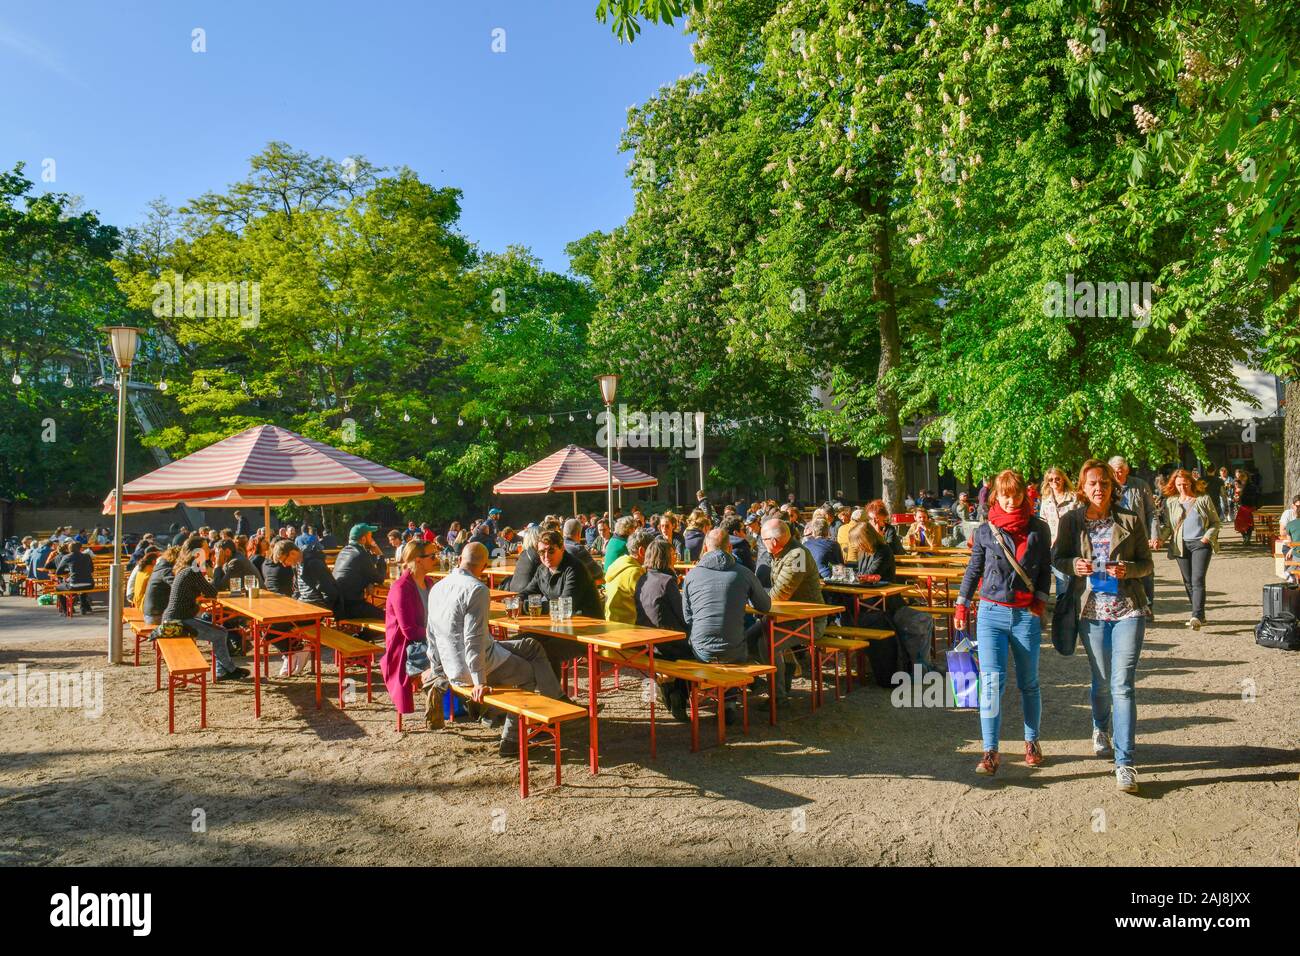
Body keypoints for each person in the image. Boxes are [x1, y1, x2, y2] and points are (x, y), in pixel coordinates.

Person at [1053, 458, 1154, 794]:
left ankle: (1125, 762)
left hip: (1128, 608)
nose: (1099, 488)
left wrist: (1129, 570)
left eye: (1105, 483)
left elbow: (1147, 564)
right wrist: (1074, 565)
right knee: (1101, 681)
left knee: (1123, 685)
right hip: (1091, 612)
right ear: (1083, 487)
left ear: (1114, 487)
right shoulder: (1071, 521)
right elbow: (1057, 558)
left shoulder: (1128, 519)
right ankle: (1100, 727)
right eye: (1093, 483)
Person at [954, 470, 1052, 777]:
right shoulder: (986, 530)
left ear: (1025, 494)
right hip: (991, 613)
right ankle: (990, 751)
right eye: (1005, 494)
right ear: (996, 495)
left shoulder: (1039, 529)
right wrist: (961, 603)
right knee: (992, 685)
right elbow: (974, 569)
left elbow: (1045, 570)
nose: (1011, 500)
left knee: (1029, 683)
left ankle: (1032, 742)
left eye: (1016, 494)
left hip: (1025, 615)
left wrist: (1040, 600)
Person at [427, 543, 562, 757]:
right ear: (484, 565)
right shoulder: (477, 589)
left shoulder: (437, 587)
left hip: (452, 662)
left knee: (531, 646)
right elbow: (474, 639)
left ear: (461, 558)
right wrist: (479, 681)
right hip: (472, 666)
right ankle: (511, 737)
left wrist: (437, 668)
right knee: (529, 672)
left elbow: (431, 634)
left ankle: (557, 701)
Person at [682, 529, 771, 720]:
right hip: (734, 651)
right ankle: (731, 699)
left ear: (705, 548)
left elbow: (688, 618)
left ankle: (727, 697)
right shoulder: (744, 573)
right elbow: (765, 606)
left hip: (701, 651)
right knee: (744, 636)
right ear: (730, 548)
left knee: (723, 640)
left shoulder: (691, 576)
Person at [161, 536, 248, 682]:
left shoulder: (186, 569)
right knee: (220, 633)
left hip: (173, 618)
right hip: (177, 622)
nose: (210, 551)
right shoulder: (193, 571)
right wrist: (217, 565)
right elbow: (213, 592)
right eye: (206, 549)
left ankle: (225, 671)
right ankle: (228, 671)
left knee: (220, 632)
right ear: (197, 553)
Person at [758, 518, 824, 701]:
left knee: (767, 644)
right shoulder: (781, 553)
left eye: (762, 540)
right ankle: (784, 669)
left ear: (773, 541)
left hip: (810, 620)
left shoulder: (798, 556)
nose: (761, 545)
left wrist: (753, 595)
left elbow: (780, 593)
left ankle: (777, 696)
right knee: (747, 638)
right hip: (784, 618)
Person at [384, 538, 445, 729]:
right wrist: (439, 637)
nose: (436, 559)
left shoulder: (429, 582)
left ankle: (437, 687)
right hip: (405, 647)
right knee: (446, 656)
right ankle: (433, 685)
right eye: (432, 555)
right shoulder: (400, 588)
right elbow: (409, 631)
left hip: (427, 640)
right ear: (418, 560)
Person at [1158, 468, 1220, 629]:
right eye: (1178, 485)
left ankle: (1196, 615)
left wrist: (1207, 536)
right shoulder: (1171, 502)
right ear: (1174, 485)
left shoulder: (1203, 499)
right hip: (1180, 545)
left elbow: (1215, 522)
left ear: (1191, 483)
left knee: (1197, 580)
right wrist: (1160, 539)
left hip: (1201, 544)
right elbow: (1169, 526)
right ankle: (1199, 613)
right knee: (1188, 582)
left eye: (1185, 484)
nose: (1182, 488)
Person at [1109, 456, 1161, 616]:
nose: (1117, 475)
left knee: (1145, 571)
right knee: (1117, 571)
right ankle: (1124, 607)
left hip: (1139, 536)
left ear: (1126, 470)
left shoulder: (1140, 486)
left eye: (1120, 472)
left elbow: (1151, 512)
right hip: (1115, 538)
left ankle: (1148, 606)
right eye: (1114, 472)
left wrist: (1155, 535)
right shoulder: (1107, 487)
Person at [1038, 466, 1081, 599]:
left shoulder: (1074, 498)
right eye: (1051, 480)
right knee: (1061, 580)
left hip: (1073, 544)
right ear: (1047, 482)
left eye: (1057, 479)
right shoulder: (1046, 500)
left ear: (1063, 479)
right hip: (1053, 545)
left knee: (1072, 579)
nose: (1054, 482)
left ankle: (1072, 609)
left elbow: (1082, 519)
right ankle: (1062, 610)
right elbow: (1043, 522)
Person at [604, 529, 655, 624]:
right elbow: (649, 602)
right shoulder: (635, 572)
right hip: (628, 627)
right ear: (642, 551)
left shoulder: (619, 563)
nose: (654, 556)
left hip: (611, 622)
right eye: (652, 551)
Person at [294, 540, 341, 616]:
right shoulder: (297, 564)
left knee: (282, 623)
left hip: (315, 609)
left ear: (292, 554)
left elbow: (329, 591)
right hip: (303, 605)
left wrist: (324, 610)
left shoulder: (313, 564)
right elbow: (297, 589)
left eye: (283, 560)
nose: (284, 565)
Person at [142, 546, 179, 625]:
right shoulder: (166, 571)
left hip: (150, 613)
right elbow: (178, 587)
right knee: (190, 623)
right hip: (156, 616)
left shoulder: (160, 568)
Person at [55, 541, 96, 614]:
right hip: (90, 584)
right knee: (82, 585)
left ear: (69, 549)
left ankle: (65, 610)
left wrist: (68, 571)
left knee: (57, 588)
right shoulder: (87, 556)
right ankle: (83, 607)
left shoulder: (67, 557)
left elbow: (58, 572)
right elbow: (92, 569)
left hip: (74, 584)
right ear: (80, 548)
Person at [562, 518, 602, 584]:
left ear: (563, 532)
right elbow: (597, 573)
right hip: (576, 588)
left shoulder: (558, 546)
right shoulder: (578, 549)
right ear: (579, 534)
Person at [1234, 468, 1260, 545]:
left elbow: (1254, 497)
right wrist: (1237, 498)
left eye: (1244, 476)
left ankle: (1247, 539)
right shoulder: (1239, 485)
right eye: (1241, 476)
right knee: (1239, 523)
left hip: (1250, 506)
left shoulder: (1251, 486)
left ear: (1247, 477)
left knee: (1249, 525)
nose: (1242, 478)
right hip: (1243, 507)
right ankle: (1245, 537)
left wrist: (1241, 496)